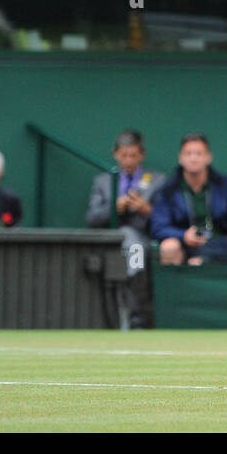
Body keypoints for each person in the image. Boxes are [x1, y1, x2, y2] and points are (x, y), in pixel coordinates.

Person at [87, 129, 164, 327]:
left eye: (133, 155)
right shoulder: (102, 182)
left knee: (134, 251)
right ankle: (132, 317)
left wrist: (146, 209)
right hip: (110, 241)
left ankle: (133, 316)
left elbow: (165, 218)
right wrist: (115, 208)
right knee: (129, 251)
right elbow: (92, 218)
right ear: (115, 154)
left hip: (141, 241)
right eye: (124, 155)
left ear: (142, 155)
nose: (129, 161)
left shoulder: (157, 181)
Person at [151, 131, 227, 265]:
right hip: (184, 244)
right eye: (188, 154)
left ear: (208, 157)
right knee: (168, 247)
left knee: (198, 262)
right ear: (180, 158)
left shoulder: (226, 185)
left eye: (199, 153)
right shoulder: (168, 190)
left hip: (219, 243)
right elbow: (159, 228)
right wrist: (183, 235)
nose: (193, 158)